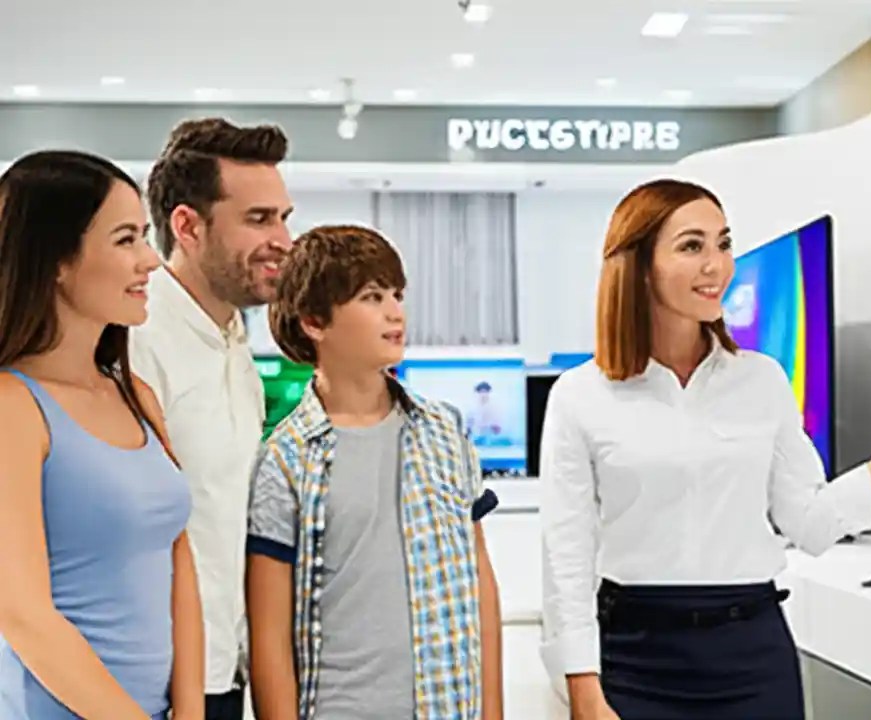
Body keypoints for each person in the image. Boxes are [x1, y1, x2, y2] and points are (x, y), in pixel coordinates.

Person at [539, 178, 871, 720]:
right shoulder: (580, 396)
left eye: (723, 243)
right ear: (640, 264)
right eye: (692, 246)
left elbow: (809, 522)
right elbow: (566, 562)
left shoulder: (761, 380)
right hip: (633, 659)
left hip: (752, 656)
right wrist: (584, 692)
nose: (716, 265)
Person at [244, 225, 504, 720]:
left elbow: (480, 583)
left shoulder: (446, 431)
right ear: (315, 322)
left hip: (449, 707)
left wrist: (492, 712)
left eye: (397, 294)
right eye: (371, 296)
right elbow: (269, 634)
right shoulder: (286, 459)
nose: (395, 311)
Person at [0, 150, 203, 719]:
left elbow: (177, 566)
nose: (151, 261)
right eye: (125, 239)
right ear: (57, 260)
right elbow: (22, 613)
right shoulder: (12, 408)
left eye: (144, 235)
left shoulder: (136, 395)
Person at [128, 117, 294, 720]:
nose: (283, 239)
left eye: (283, 217)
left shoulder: (235, 345)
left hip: (223, 674)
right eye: (259, 220)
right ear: (187, 226)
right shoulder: (136, 343)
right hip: (156, 685)